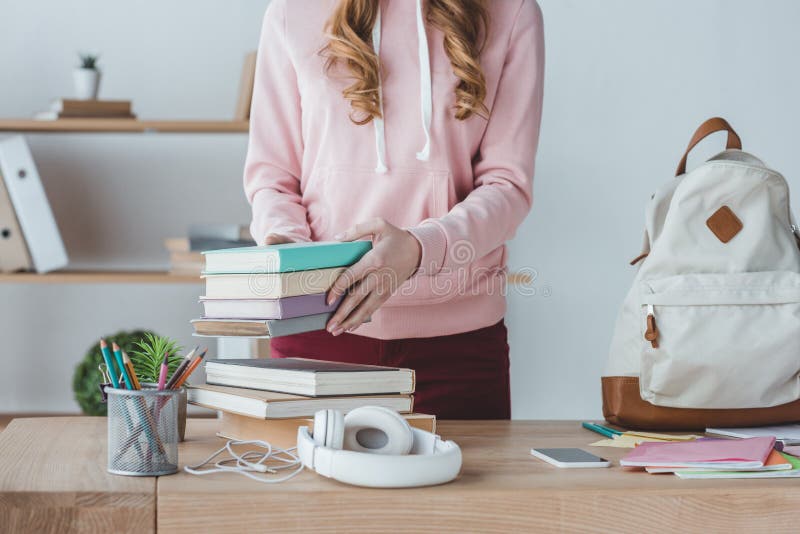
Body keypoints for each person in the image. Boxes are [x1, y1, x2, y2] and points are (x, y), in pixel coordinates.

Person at [244, 0, 544, 419]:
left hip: (457, 345)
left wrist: (420, 249)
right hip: (319, 330)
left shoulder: (511, 12)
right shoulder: (293, 10)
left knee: (463, 485)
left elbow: (507, 186)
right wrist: (289, 249)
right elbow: (272, 176)